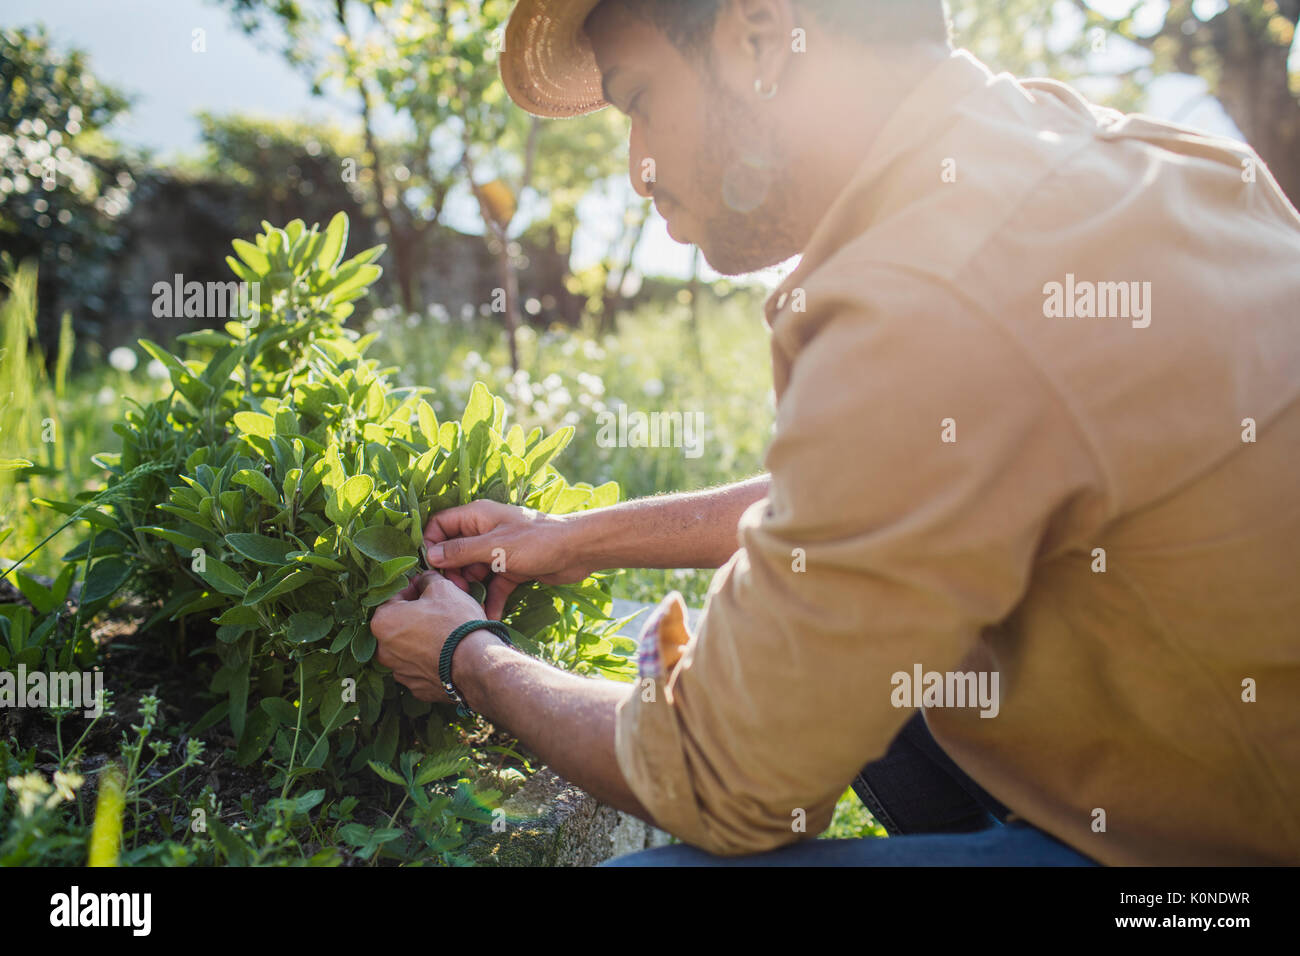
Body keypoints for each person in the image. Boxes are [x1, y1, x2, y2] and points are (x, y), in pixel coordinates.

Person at [370, 0, 1300, 865]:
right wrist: (571, 539)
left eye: (641, 101)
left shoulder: (932, 292)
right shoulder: (1095, 155)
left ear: (761, 41)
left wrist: (468, 659)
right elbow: (877, 504)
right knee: (836, 643)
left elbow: (717, 776)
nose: (638, 168)